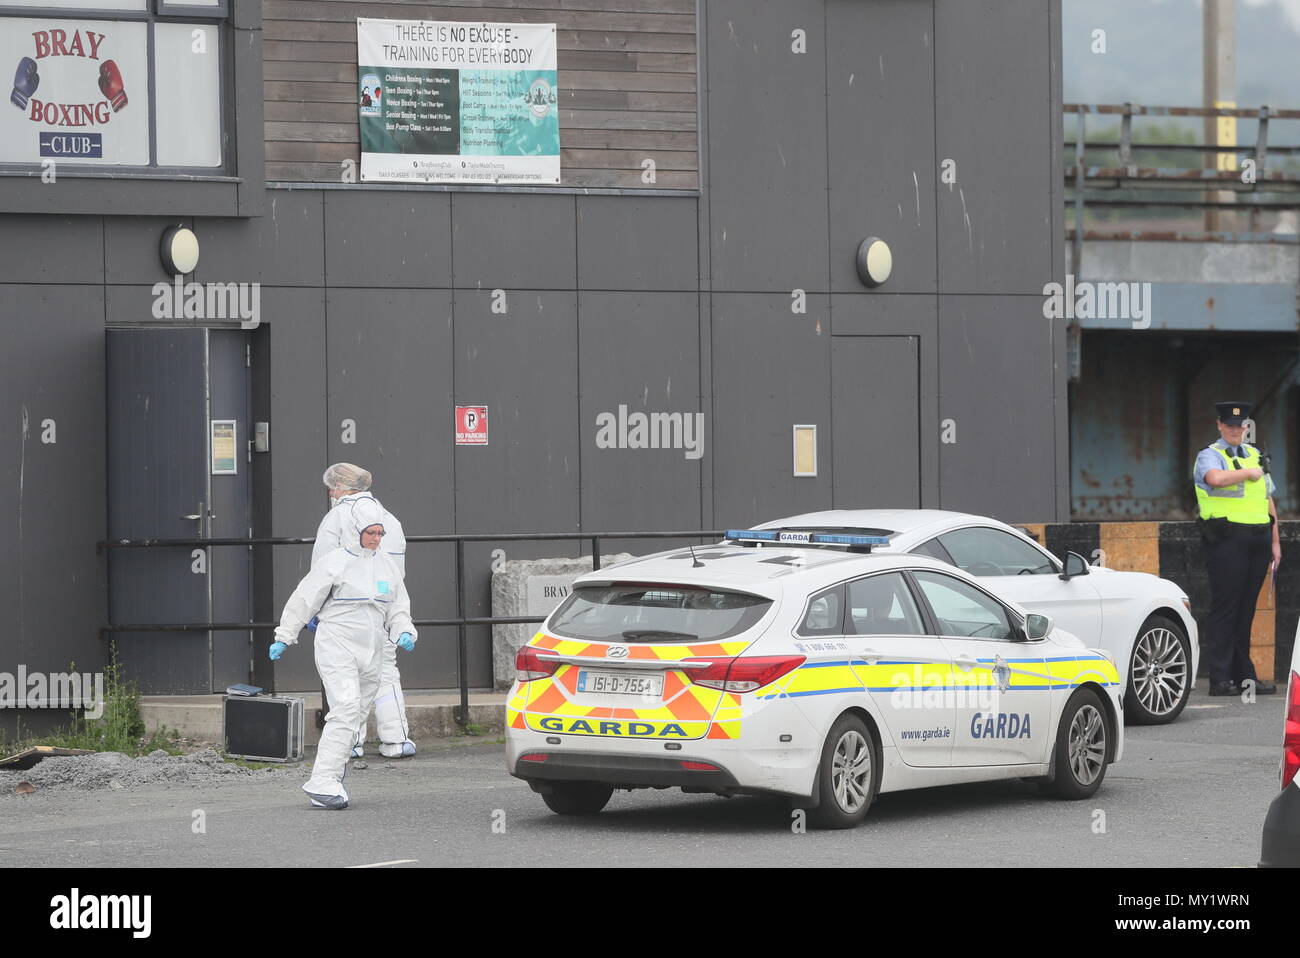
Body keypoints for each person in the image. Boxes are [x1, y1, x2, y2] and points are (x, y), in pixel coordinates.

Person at [270, 498, 417, 809]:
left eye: (380, 533)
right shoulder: (334, 562)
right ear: (355, 531)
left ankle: (333, 776)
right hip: (336, 643)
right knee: (346, 707)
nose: (376, 539)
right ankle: (322, 781)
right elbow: (304, 599)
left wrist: (404, 629)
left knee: (357, 713)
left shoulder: (386, 565)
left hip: (373, 648)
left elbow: (398, 607)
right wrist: (285, 634)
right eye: (371, 533)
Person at [314, 463, 417, 759]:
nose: (331, 492)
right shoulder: (390, 520)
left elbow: (321, 569)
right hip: (383, 609)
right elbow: (397, 573)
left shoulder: (336, 518)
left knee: (346, 679)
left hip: (343, 614)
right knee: (386, 671)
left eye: (332, 487)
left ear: (341, 488)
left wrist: (314, 611)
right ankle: (396, 740)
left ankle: (351, 742)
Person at [1194, 401, 1281, 696]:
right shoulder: (1209, 455)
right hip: (1227, 539)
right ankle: (1219, 679)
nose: (1235, 430)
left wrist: (1275, 541)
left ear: (1246, 427)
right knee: (1225, 609)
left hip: (1258, 539)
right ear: (1220, 425)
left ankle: (1244, 676)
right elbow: (1214, 479)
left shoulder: (1255, 455)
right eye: (1229, 425)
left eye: (1240, 426)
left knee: (1246, 611)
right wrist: (1247, 473)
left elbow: (1268, 500)